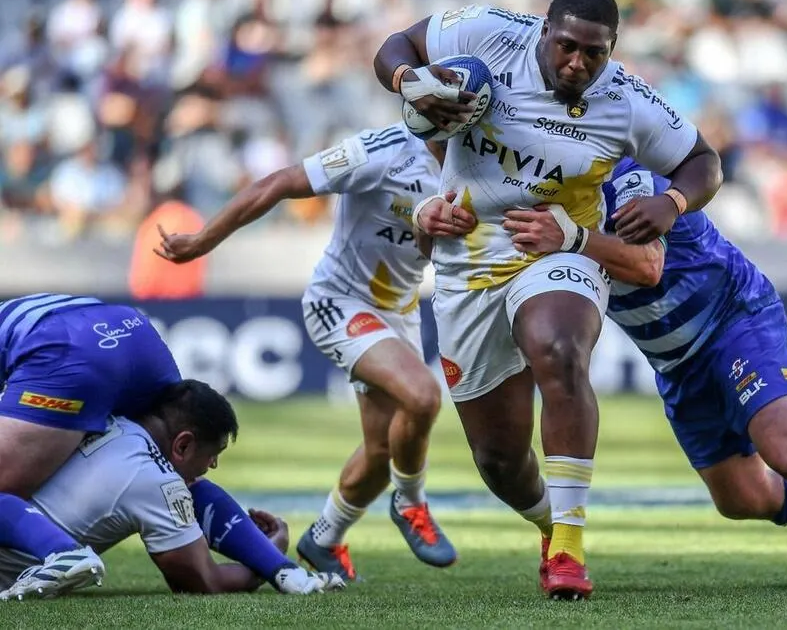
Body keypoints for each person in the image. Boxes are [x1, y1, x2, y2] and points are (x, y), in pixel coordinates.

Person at [376, 0, 722, 599]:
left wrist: (672, 201)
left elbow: (703, 161)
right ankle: (546, 521)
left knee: (559, 349)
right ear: (544, 31)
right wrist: (408, 79)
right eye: (568, 47)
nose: (578, 64)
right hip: (465, 265)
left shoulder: (626, 99)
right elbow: (397, 44)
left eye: (595, 54)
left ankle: (568, 546)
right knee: (500, 462)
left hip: (557, 245)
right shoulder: (486, 30)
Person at [497, 157, 787, 589]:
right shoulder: (531, 201)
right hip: (677, 361)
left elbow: (646, 265)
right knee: (742, 497)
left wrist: (573, 238)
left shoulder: (626, 177)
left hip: (734, 319)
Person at [154, 122, 462, 581]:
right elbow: (277, 183)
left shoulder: (480, 160)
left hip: (401, 309)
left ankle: (324, 537)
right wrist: (202, 241)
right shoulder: (381, 151)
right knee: (422, 395)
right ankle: (411, 501)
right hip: (339, 301)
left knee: (382, 451)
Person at [0, 379, 345, 599]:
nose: (213, 466)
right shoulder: (156, 482)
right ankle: (284, 572)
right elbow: (202, 582)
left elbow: (200, 494)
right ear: (182, 445)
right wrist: (268, 558)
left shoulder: (106, 418)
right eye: (213, 455)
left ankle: (285, 573)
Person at [0, 293, 185, 596]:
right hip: (135, 330)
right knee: (176, 462)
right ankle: (281, 569)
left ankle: (62, 552)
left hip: (66, 346)